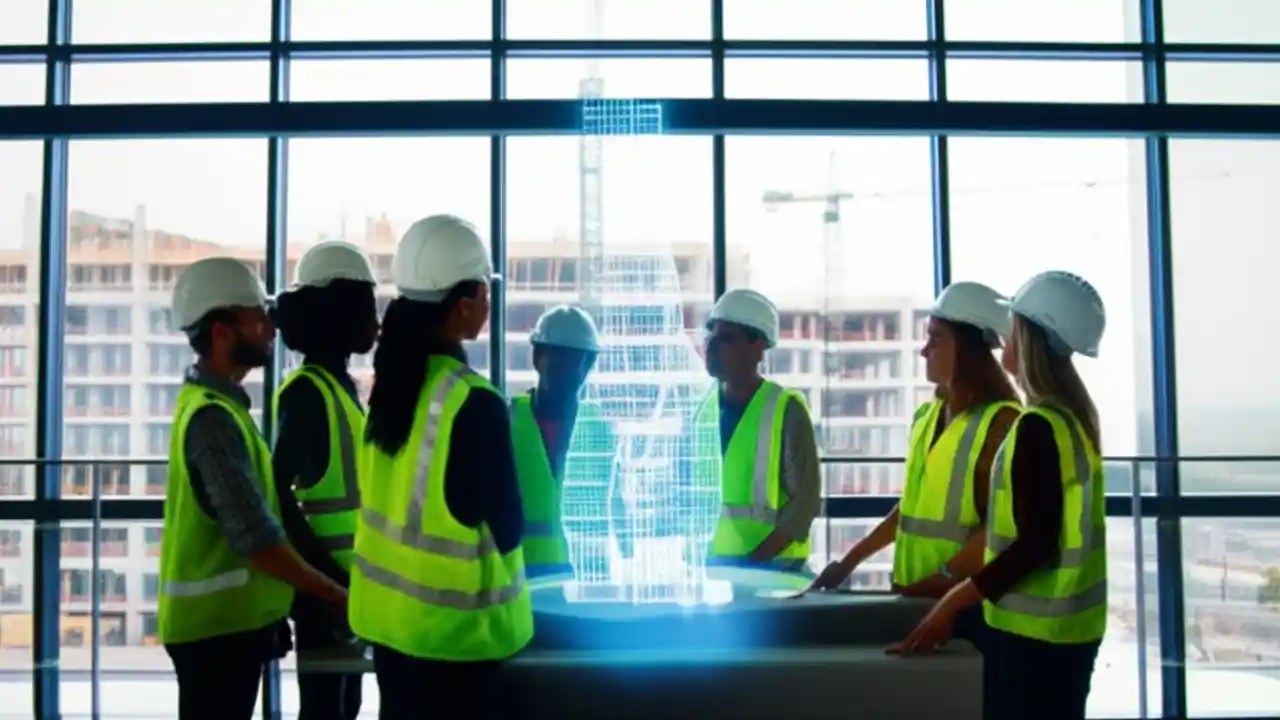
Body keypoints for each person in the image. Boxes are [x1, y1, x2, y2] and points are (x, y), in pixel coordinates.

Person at [891, 270, 1108, 720]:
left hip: (1032, 638)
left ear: (1032, 337)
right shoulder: (1072, 421)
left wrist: (955, 599)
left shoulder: (1037, 426)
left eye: (1016, 326)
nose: (1005, 337)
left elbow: (1035, 544)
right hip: (1069, 633)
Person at [348, 215, 532, 717]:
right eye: (485, 290)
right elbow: (510, 530)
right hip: (456, 644)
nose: (489, 303)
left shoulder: (390, 389)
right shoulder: (474, 402)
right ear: (463, 306)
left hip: (390, 634)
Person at [157, 257, 348, 720]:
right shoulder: (212, 420)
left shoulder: (225, 409)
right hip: (214, 636)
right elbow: (257, 539)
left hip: (229, 631)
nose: (270, 327)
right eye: (257, 318)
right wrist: (334, 594)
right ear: (221, 332)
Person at [811, 281, 1020, 605]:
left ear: (966, 348)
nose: (924, 351)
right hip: (915, 596)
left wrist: (942, 582)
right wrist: (847, 563)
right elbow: (906, 513)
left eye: (935, 339)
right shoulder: (926, 417)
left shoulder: (1001, 423)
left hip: (961, 604)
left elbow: (998, 529)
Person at [271, 241, 379, 720]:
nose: (375, 321)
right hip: (325, 595)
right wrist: (327, 582)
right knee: (325, 710)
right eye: (365, 306)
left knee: (344, 707)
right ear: (334, 311)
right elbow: (277, 497)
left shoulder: (341, 390)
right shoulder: (309, 393)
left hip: (343, 590)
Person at [700, 288, 822, 572]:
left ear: (757, 346)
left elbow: (803, 505)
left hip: (773, 572)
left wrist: (753, 563)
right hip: (714, 570)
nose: (713, 347)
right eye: (711, 337)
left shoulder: (785, 410)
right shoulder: (701, 411)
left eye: (726, 339)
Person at [509, 305, 605, 578]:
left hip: (584, 584)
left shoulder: (600, 431)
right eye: (559, 357)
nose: (570, 369)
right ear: (537, 357)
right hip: (521, 582)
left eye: (578, 360)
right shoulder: (507, 421)